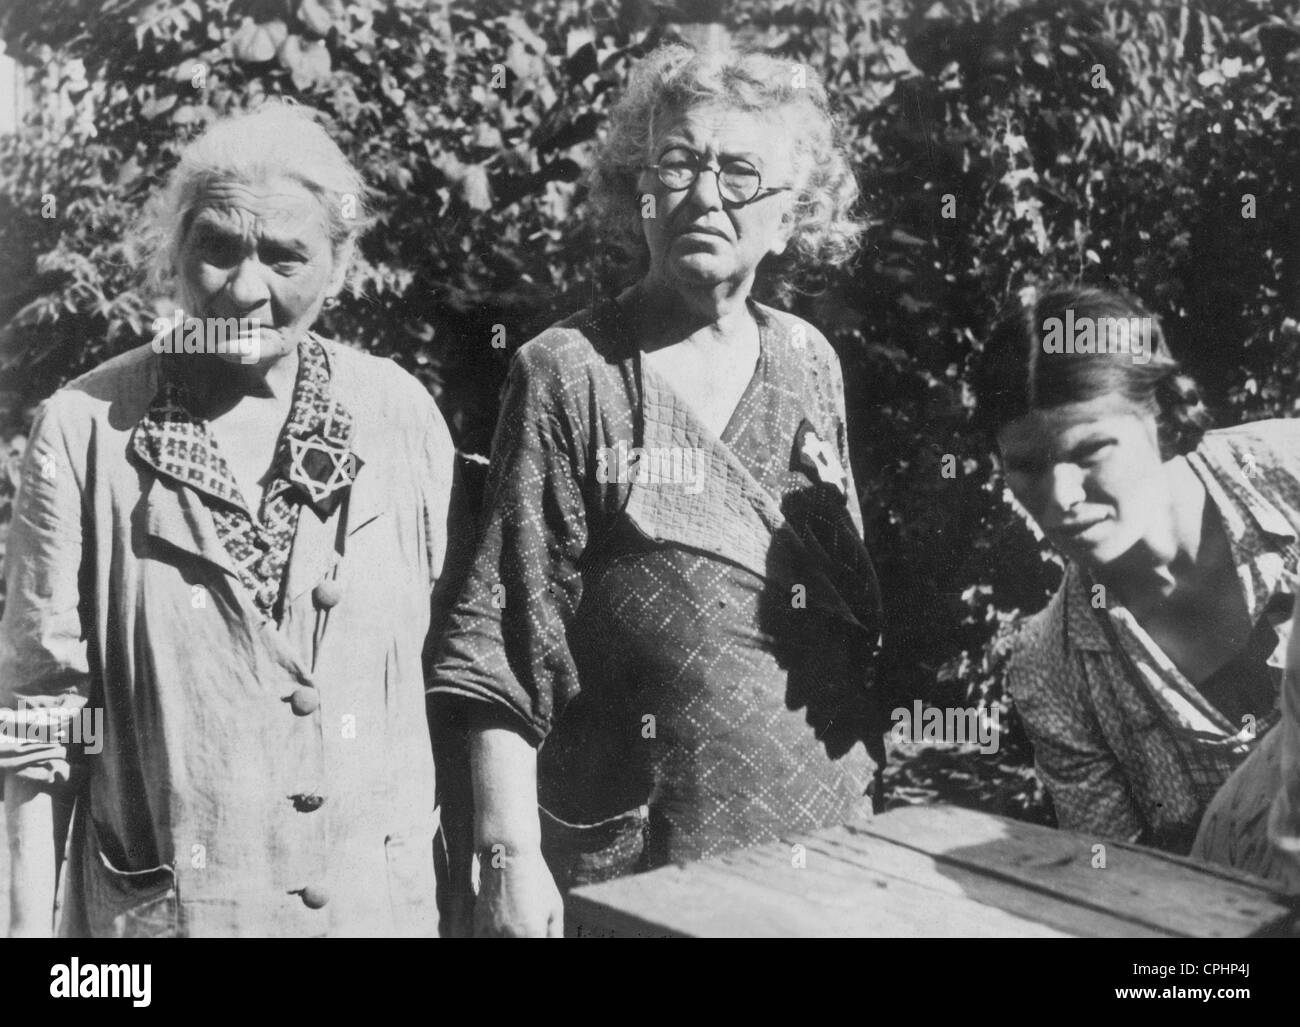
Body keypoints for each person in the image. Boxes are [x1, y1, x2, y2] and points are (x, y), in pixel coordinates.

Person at [430, 44, 885, 937]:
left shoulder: (807, 361)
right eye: (677, 163)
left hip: (821, 835)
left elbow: (847, 623)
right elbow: (509, 633)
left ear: (790, 217)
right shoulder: (573, 373)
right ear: (637, 195)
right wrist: (507, 856)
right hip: (648, 865)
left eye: (741, 172)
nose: (705, 195)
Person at [1, 104, 462, 936]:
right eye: (217, 247)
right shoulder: (83, 431)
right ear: (172, 252)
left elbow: (443, 664)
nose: (246, 289)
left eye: (286, 255)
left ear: (339, 264)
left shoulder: (399, 417)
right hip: (165, 923)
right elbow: (39, 721)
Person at [972, 284, 1300, 876]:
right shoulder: (1053, 668)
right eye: (1026, 466)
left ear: (1167, 418)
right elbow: (1123, 885)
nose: (1061, 498)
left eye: (1092, 450)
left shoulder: (1290, 478)